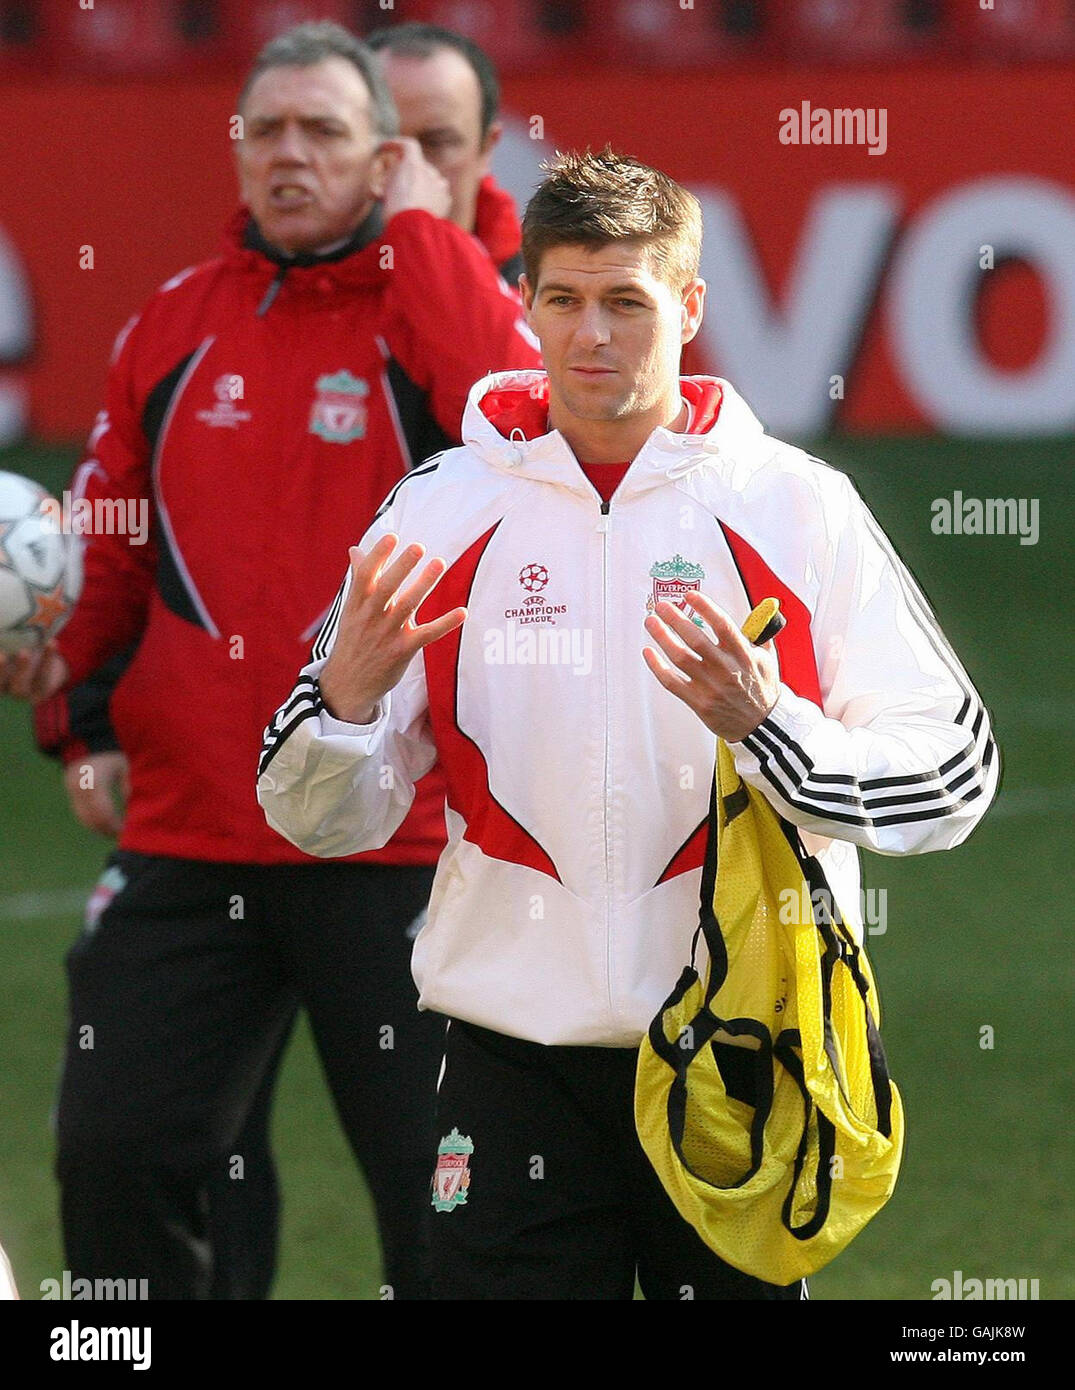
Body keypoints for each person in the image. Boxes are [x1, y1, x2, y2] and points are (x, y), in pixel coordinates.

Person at [257, 148, 1000, 1300]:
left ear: (690, 307)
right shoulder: (441, 508)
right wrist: (344, 701)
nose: (590, 335)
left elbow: (951, 771)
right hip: (511, 1062)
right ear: (525, 302)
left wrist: (771, 728)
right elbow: (317, 817)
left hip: (738, 1048)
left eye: (626, 302)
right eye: (562, 299)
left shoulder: (794, 504)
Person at [1, 21, 539, 1300]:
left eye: (325, 132)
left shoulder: (441, 308)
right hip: (194, 837)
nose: (290, 154)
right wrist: (73, 706)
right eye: (268, 130)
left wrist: (421, 234)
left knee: (441, 1198)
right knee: (116, 1157)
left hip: (401, 843)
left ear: (385, 160)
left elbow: (512, 424)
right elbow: (112, 544)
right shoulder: (172, 325)